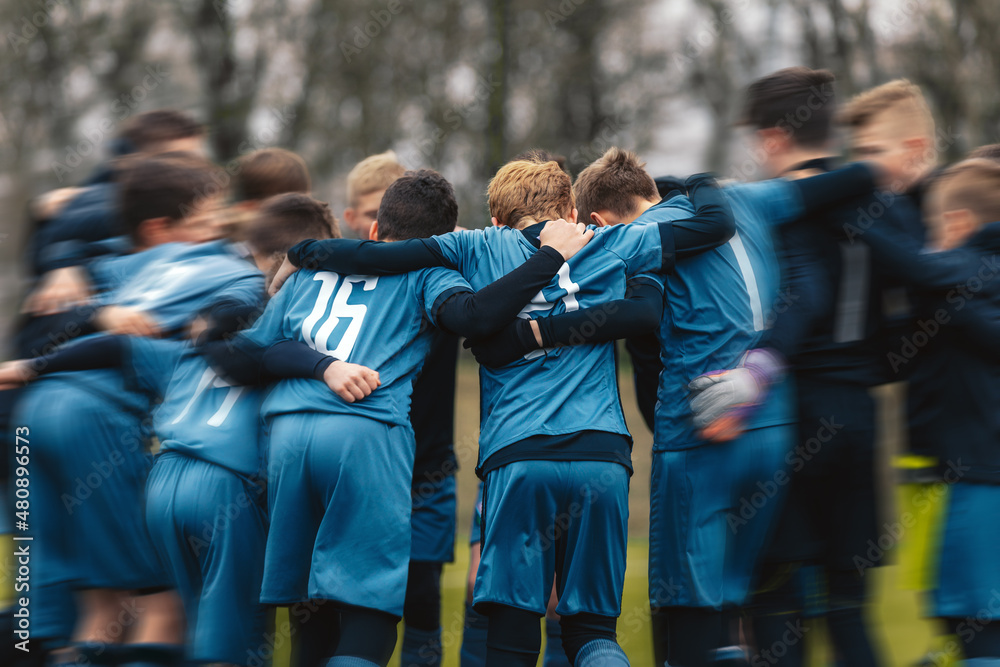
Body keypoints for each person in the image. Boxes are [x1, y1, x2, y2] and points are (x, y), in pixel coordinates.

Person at [272, 158, 738, 666]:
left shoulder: (474, 246)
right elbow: (714, 226)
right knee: (593, 634)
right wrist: (699, 181)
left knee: (512, 638)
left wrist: (304, 252)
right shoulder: (611, 241)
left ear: (496, 218)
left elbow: (382, 255)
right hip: (601, 457)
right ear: (570, 209)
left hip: (516, 458)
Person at [242, 168, 592, 667]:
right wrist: (549, 257)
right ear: (446, 239)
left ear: (374, 231)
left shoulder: (311, 272)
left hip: (288, 438)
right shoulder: (433, 272)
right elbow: (473, 316)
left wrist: (317, 359)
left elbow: (248, 355)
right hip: (366, 435)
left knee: (309, 613)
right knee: (372, 619)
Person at [12, 153, 265, 667]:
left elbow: (53, 299)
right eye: (205, 217)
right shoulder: (232, 270)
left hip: (35, 411)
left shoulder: (136, 261)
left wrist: (59, 253)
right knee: (159, 606)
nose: (215, 225)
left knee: (90, 608)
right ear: (161, 228)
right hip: (99, 418)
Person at [847, 158, 1000, 665]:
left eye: (933, 228)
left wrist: (852, 212)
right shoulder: (970, 290)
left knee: (975, 627)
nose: (929, 240)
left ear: (957, 224)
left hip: (979, 479)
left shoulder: (973, 264)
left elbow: (921, 267)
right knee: (965, 627)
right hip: (974, 474)